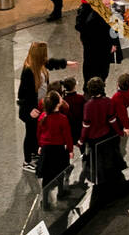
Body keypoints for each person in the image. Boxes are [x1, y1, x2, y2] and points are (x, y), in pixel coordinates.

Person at [17, 42, 74, 172]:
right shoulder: (28, 71)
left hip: (40, 105)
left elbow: (52, 63)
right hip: (31, 109)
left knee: (37, 132)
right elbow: (21, 94)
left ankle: (35, 154)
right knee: (30, 134)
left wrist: (66, 63)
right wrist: (29, 109)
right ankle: (27, 161)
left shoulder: (41, 64)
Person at [79, 76, 122, 186]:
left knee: (97, 162)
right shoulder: (108, 101)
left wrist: (82, 139)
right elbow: (112, 120)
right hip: (106, 135)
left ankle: (101, 183)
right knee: (109, 159)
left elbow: (86, 125)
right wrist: (119, 132)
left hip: (93, 139)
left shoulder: (87, 106)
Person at [35, 92, 74, 201]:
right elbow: (67, 136)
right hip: (58, 149)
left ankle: (45, 200)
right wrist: (70, 150)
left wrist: (40, 145)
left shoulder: (43, 116)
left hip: (46, 149)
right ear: (57, 104)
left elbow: (39, 133)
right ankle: (60, 192)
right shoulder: (62, 118)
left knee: (47, 176)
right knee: (60, 172)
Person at [75, 0, 117, 85]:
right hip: (94, 46)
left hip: (102, 47)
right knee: (94, 67)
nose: (108, 6)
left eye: (109, 3)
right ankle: (91, 86)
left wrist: (114, 43)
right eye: (105, 4)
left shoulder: (109, 14)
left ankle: (98, 84)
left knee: (102, 68)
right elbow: (82, 29)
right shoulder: (93, 16)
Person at [61, 76, 84, 148]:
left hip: (68, 128)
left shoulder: (63, 100)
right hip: (78, 128)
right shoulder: (80, 98)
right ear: (75, 86)